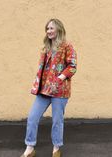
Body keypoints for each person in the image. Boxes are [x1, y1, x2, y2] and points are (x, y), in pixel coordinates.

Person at [20, 18, 77, 157]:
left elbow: (73, 67)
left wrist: (59, 78)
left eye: (51, 28)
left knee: (57, 121)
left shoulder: (67, 46)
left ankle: (56, 148)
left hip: (59, 91)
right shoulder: (46, 47)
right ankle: (30, 148)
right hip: (44, 90)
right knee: (32, 117)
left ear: (59, 29)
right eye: (47, 29)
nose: (49, 31)